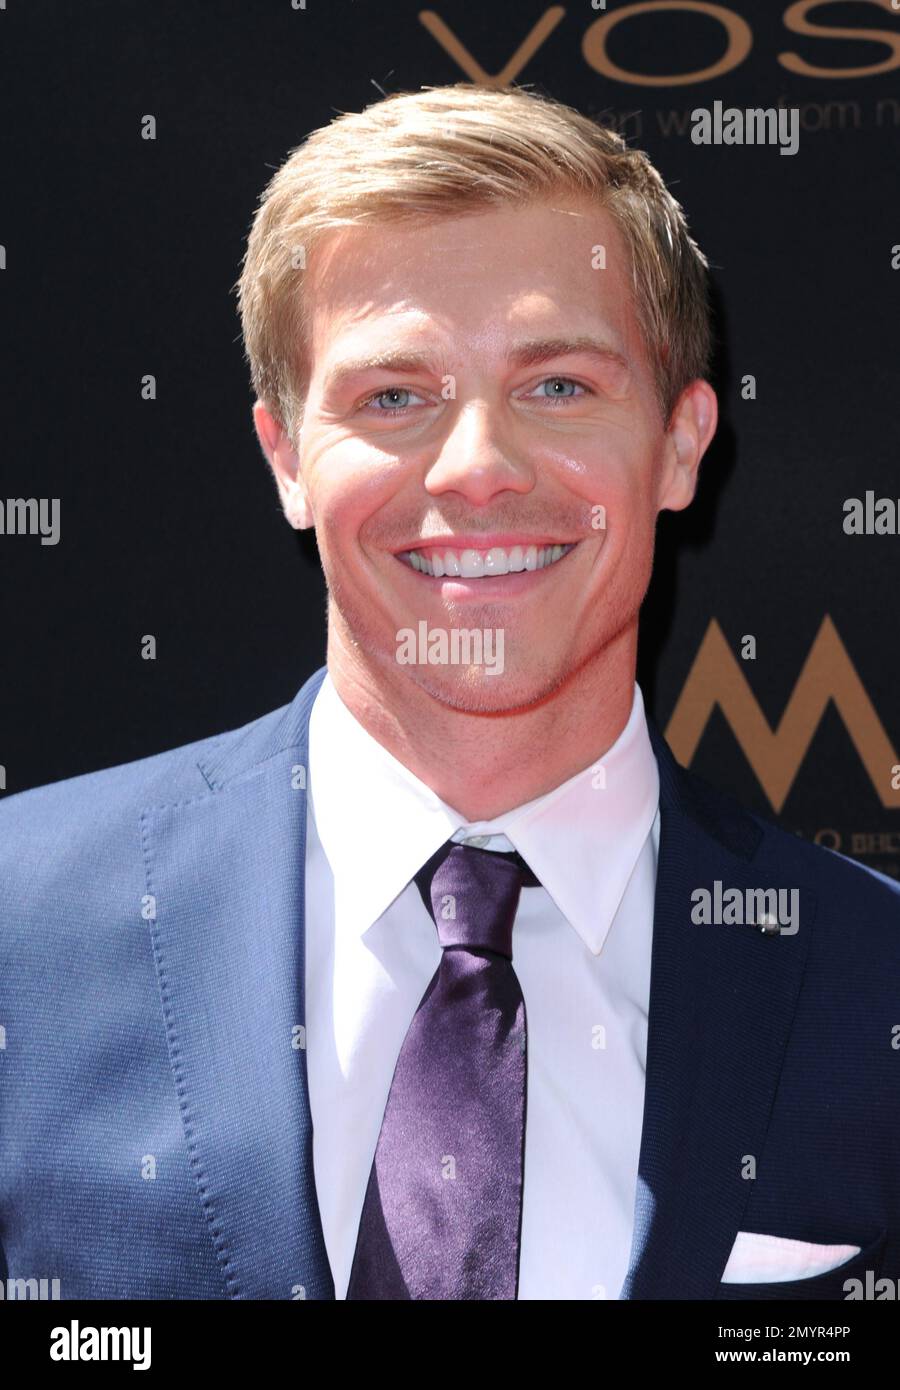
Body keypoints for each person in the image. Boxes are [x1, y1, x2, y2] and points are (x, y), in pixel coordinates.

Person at [1, 83, 898, 1302]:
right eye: (394, 397)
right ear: (285, 459)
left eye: (560, 386)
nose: (477, 468)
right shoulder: (19, 931)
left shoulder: (873, 978)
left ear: (684, 443)